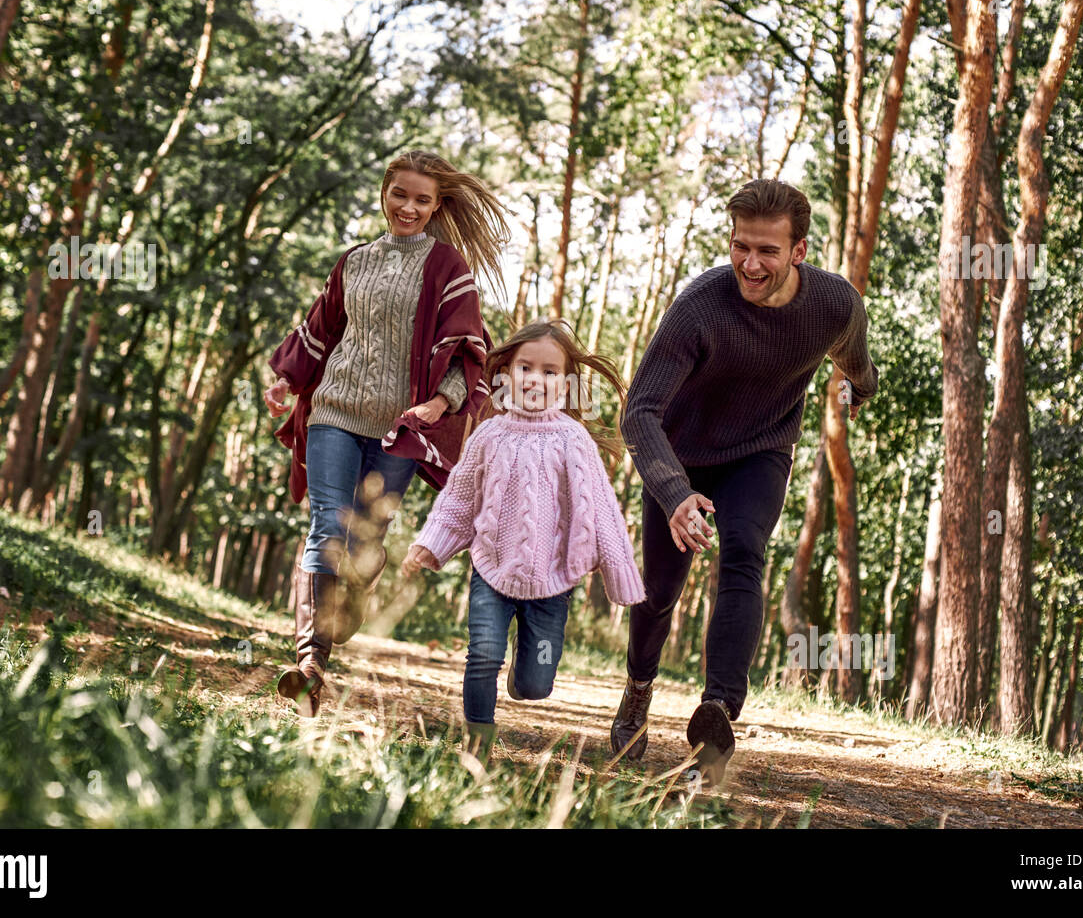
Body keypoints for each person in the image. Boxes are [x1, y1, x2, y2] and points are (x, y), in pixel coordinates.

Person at [612, 178, 880, 787]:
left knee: (743, 557)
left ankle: (718, 711)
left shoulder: (834, 305)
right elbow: (639, 411)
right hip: (679, 455)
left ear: (799, 251)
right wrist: (676, 494)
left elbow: (855, 360)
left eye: (767, 251)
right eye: (740, 247)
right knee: (659, 590)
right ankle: (638, 688)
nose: (750, 264)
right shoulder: (701, 305)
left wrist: (858, 390)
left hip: (760, 450)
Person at [264, 149, 509, 718]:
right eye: (400, 194)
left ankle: (356, 591)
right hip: (335, 410)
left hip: (401, 425)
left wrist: (440, 402)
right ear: (385, 192)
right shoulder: (353, 261)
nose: (409, 207)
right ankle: (310, 662)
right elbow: (321, 329)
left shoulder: (448, 268)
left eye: (422, 199)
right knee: (327, 520)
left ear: (436, 205)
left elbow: (466, 348)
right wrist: (285, 377)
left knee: (368, 535)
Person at [401, 319, 646, 763]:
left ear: (567, 384)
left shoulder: (574, 441)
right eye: (525, 368)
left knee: (536, 684)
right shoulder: (489, 436)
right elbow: (460, 501)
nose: (536, 379)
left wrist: (620, 575)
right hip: (491, 570)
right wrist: (429, 546)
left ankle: (525, 674)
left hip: (552, 584)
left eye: (550, 372)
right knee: (483, 655)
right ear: (506, 375)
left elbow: (603, 511)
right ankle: (477, 747)